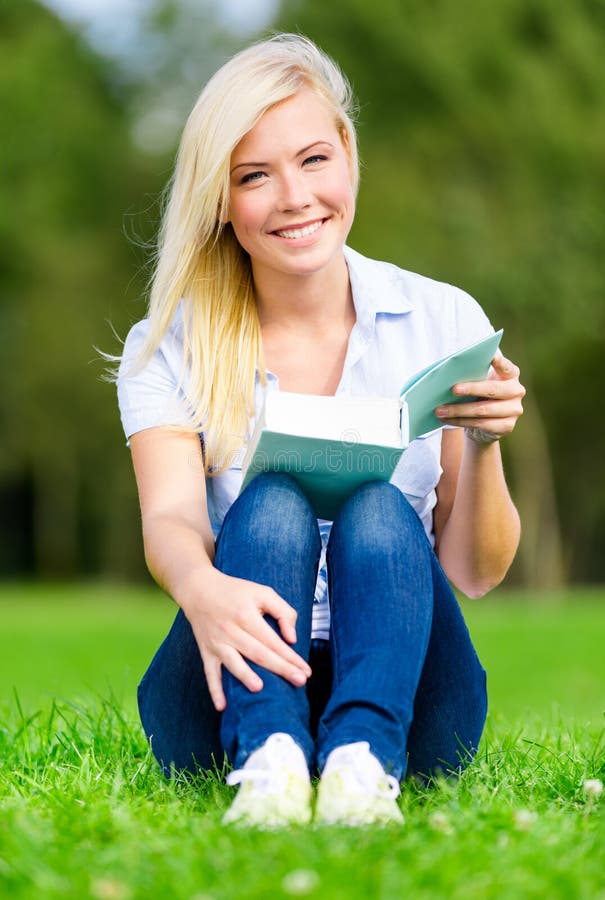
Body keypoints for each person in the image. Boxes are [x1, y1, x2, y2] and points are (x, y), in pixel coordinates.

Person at [116, 33, 524, 828]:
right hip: (224, 692)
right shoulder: (168, 342)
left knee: (376, 507)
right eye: (254, 177)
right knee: (270, 503)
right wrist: (200, 590)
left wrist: (483, 444)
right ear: (221, 200)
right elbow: (169, 520)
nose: (294, 197)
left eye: (311, 160)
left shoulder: (443, 320)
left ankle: (361, 763)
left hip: (412, 692)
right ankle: (268, 762)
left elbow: (473, 573)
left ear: (348, 156)